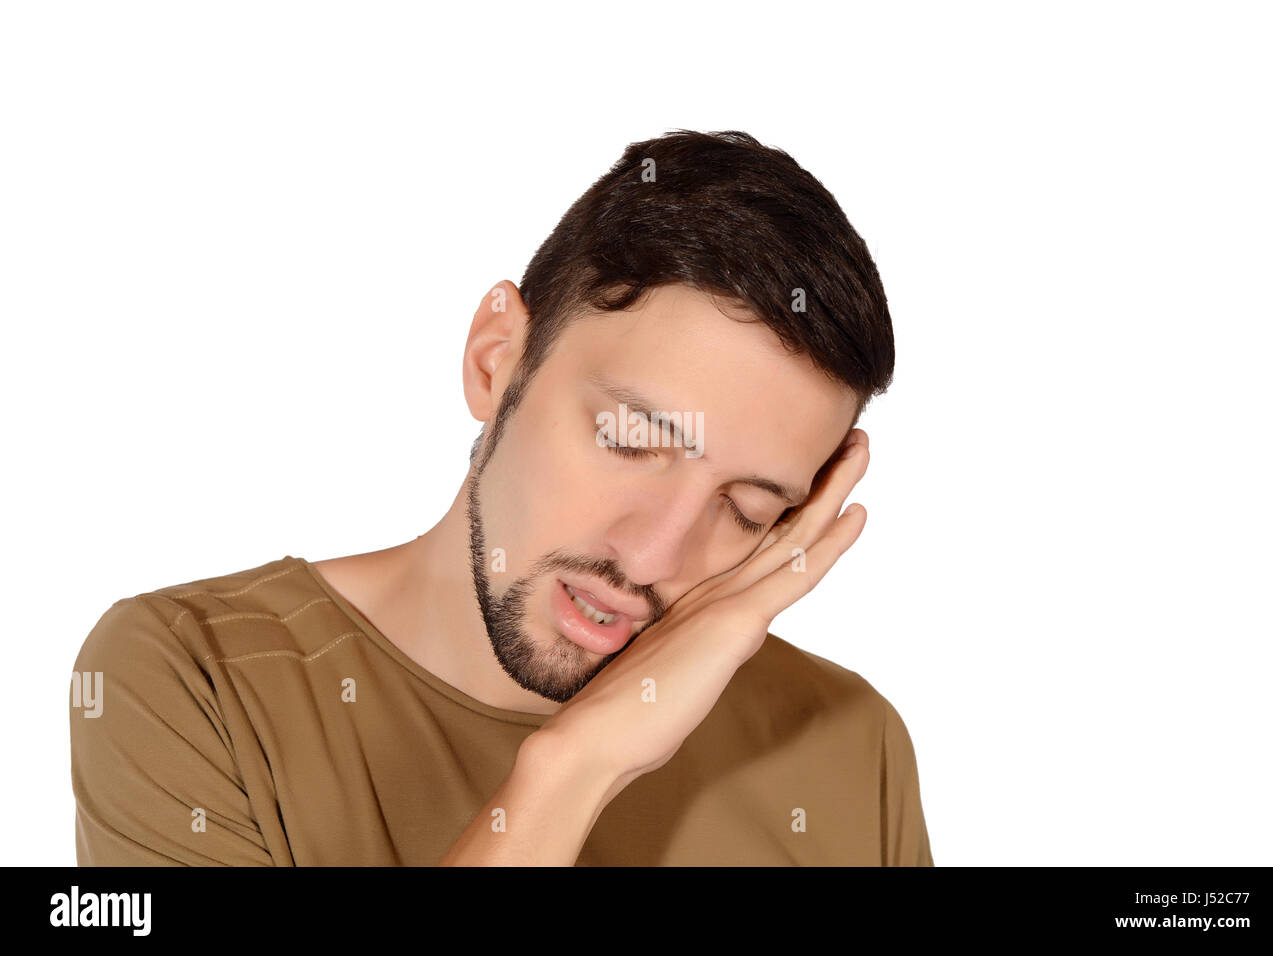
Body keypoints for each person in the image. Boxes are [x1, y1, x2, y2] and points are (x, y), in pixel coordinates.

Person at [70, 129, 934, 866]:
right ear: (496, 359)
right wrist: (571, 769)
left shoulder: (848, 742)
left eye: (746, 510)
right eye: (631, 440)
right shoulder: (196, 680)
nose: (652, 556)